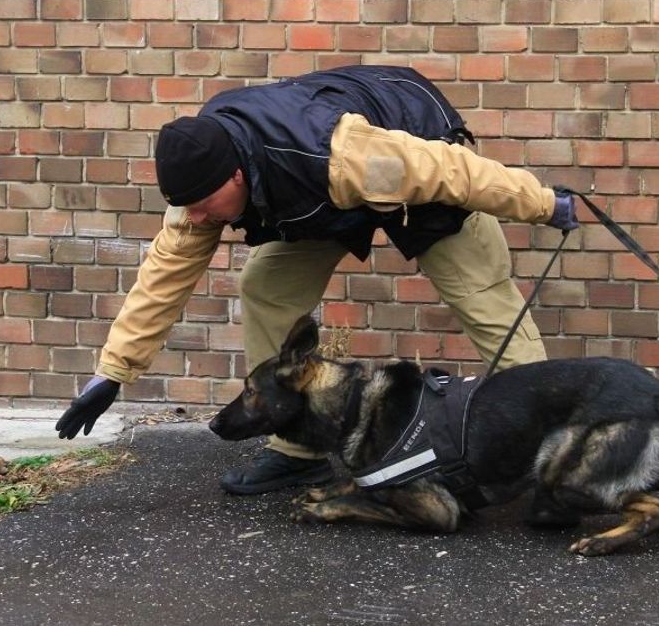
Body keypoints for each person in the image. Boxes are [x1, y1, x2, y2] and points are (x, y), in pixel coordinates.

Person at [54, 65, 580, 494]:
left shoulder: (341, 155)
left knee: (482, 296)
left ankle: (561, 445)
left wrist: (542, 203)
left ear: (235, 176)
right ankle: (298, 448)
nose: (194, 218)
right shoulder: (201, 173)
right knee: (265, 286)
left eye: (201, 206)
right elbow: (163, 277)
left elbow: (453, 172)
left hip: (412, 154)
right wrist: (113, 373)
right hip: (312, 201)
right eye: (184, 208)